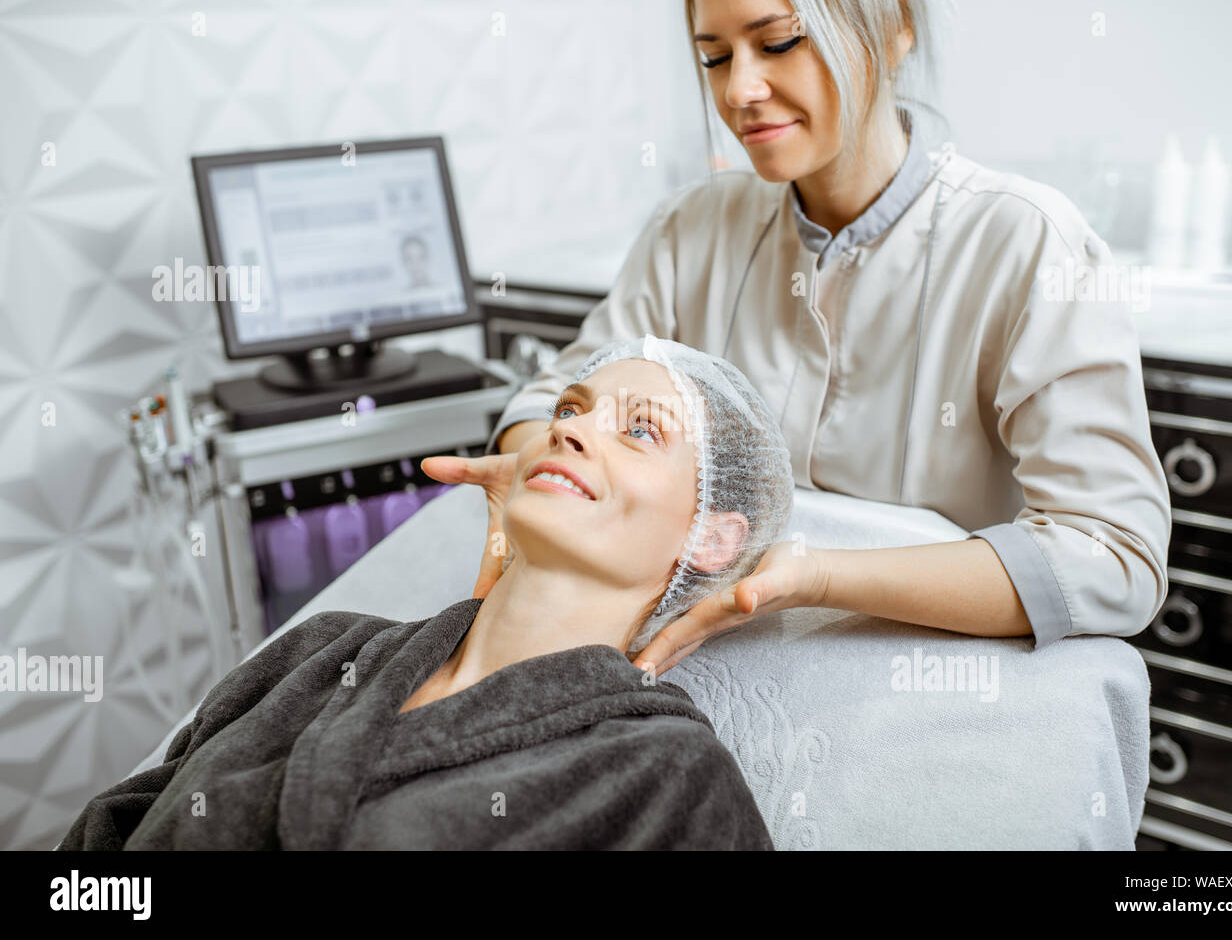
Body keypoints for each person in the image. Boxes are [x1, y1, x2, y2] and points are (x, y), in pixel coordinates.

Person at [435, 0, 1172, 677]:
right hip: (703, 684)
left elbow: (1112, 558)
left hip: (923, 692)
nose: (738, 92)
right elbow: (546, 402)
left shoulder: (1027, 244)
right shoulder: (692, 230)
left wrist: (814, 574)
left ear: (895, 27)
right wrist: (548, 464)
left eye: (781, 42)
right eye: (715, 57)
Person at [57, 336, 791, 851]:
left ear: (713, 539)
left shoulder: (668, 775)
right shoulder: (326, 647)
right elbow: (115, 825)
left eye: (639, 430)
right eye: (569, 409)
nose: (569, 433)